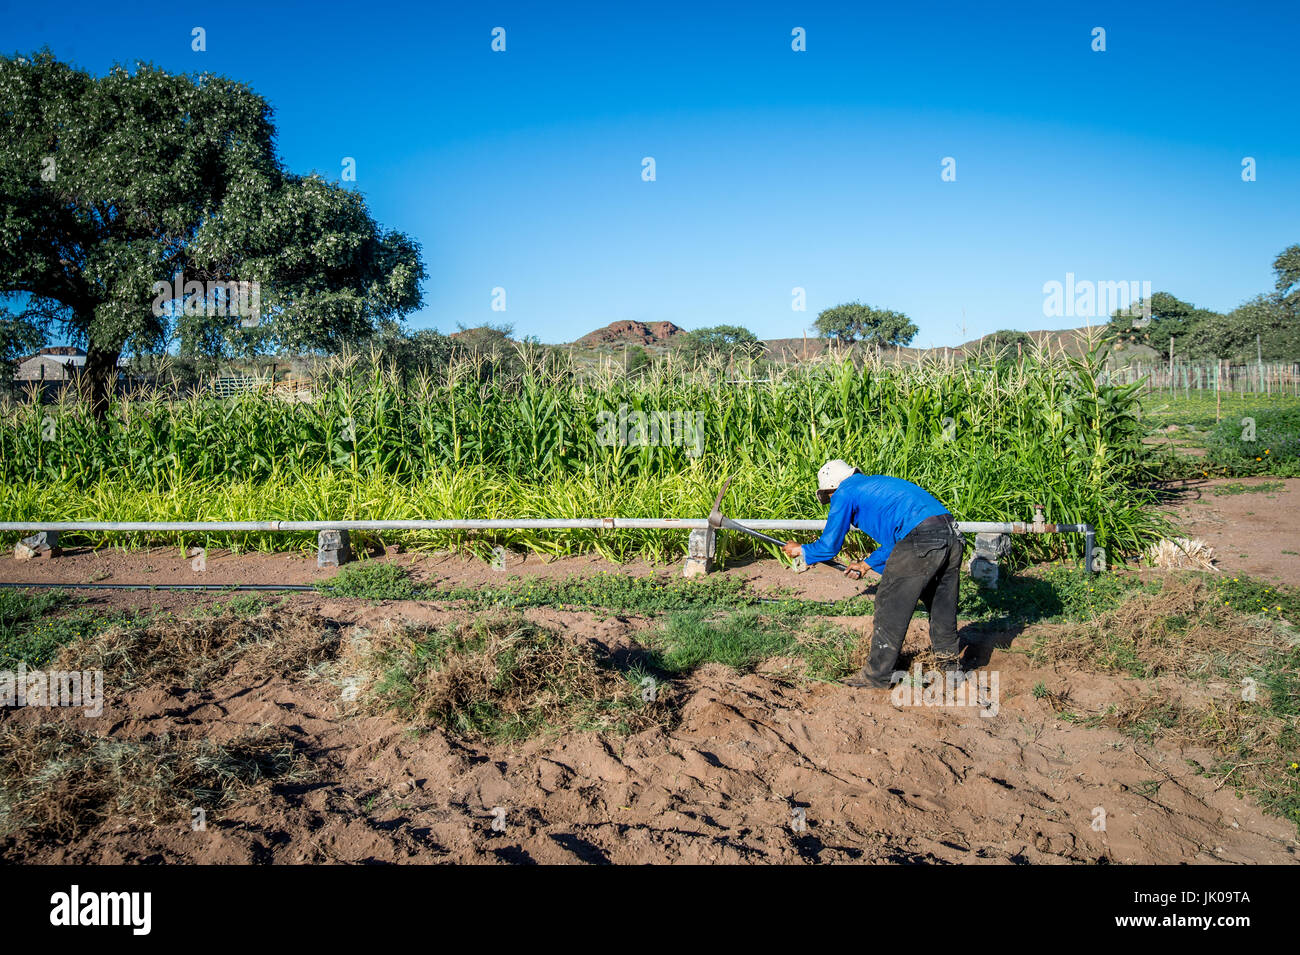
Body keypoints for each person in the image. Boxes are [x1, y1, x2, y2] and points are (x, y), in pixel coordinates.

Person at [782, 459, 965, 688]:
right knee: (941, 604)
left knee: (889, 604)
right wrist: (866, 565)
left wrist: (802, 550)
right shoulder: (876, 486)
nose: (831, 501)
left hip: (921, 538)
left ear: (832, 488)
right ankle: (950, 668)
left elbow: (829, 545)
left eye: (829, 497)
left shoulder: (844, 492)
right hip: (951, 534)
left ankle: (877, 677)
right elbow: (900, 539)